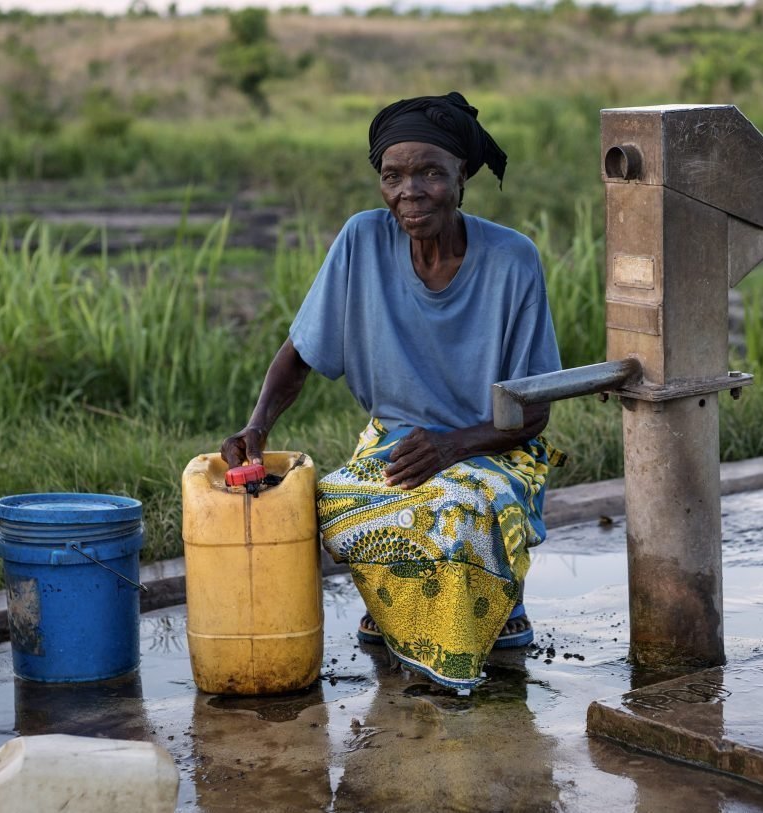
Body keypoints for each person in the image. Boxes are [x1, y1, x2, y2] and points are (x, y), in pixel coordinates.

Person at [221, 91, 563, 691]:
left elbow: (533, 411)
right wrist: (257, 427)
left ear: (462, 174)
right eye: (393, 176)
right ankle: (394, 605)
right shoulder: (362, 240)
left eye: (431, 173)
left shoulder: (513, 259)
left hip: (492, 446)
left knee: (453, 513)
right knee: (325, 502)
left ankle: (488, 616)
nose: (411, 191)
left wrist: (452, 446)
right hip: (395, 443)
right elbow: (299, 353)